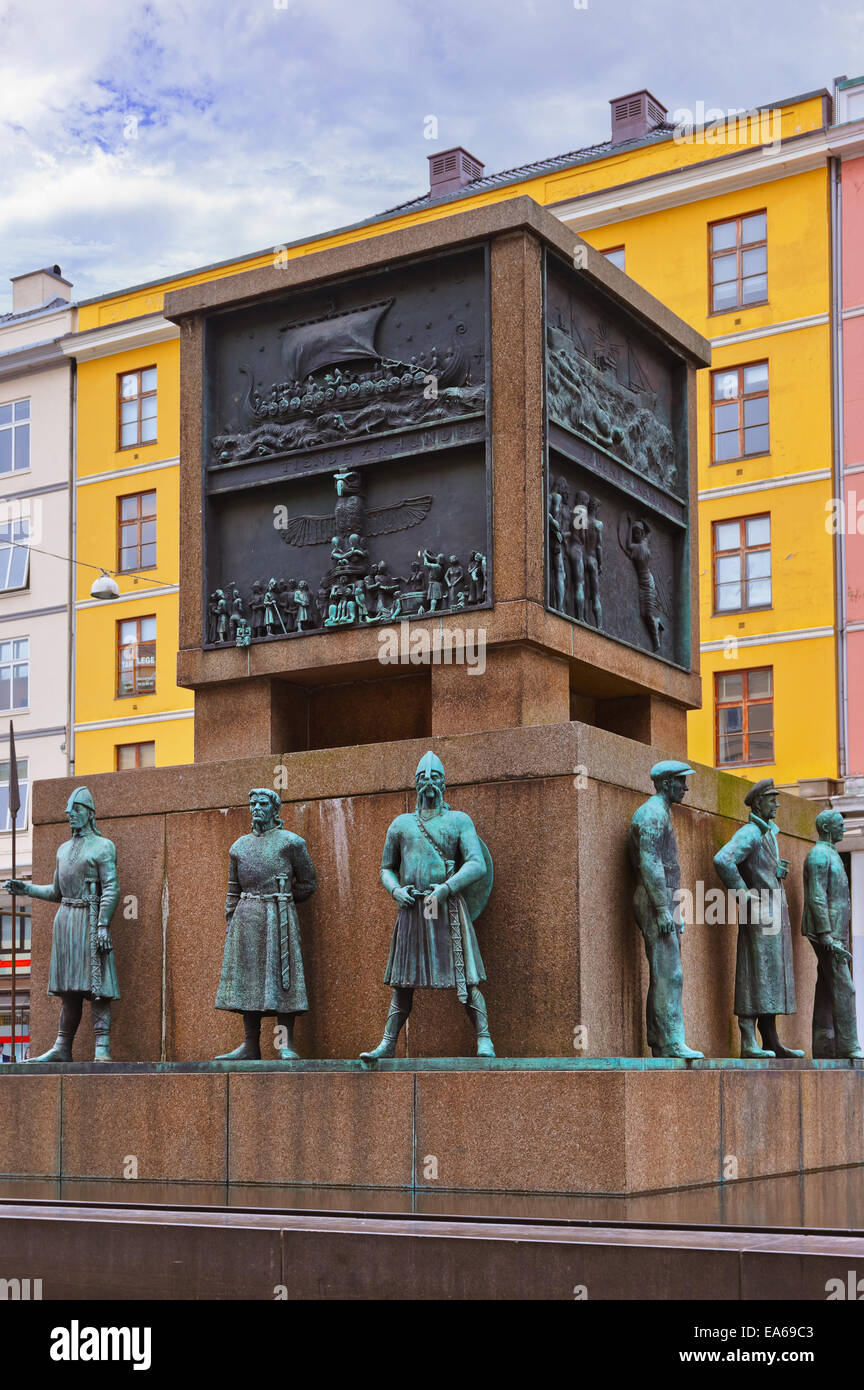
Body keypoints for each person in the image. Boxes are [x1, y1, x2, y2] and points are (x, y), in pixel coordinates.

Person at [360, 751, 494, 1060]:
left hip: (445, 908)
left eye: (435, 778)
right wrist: (395, 890)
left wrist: (447, 888)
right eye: (423, 778)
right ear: (415, 784)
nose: (429, 783)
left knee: (466, 978)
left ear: (444, 784)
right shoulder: (401, 824)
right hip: (413, 909)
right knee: (402, 983)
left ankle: (484, 1039)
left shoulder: (459, 821)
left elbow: (476, 864)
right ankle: (388, 1043)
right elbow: (386, 868)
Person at [4, 788, 120, 1062]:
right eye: (69, 812)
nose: (72, 816)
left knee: (97, 984)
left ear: (89, 813)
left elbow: (112, 888)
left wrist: (103, 924)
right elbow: (57, 891)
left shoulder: (104, 847)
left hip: (90, 920)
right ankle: (62, 1046)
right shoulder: (63, 849)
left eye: (77, 810)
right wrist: (27, 888)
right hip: (66, 922)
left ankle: (102, 1046)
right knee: (70, 989)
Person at [215, 788, 317, 1061]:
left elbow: (309, 882)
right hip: (246, 919)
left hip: (278, 918)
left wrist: (282, 900)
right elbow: (232, 891)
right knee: (249, 979)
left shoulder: (291, 843)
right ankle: (250, 1045)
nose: (256, 808)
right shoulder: (238, 847)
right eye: (252, 804)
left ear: (275, 809)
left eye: (262, 803)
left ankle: (285, 1045)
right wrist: (230, 922)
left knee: (282, 979)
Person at [714, 778, 803, 1059]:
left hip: (773, 916)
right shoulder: (751, 833)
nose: (777, 803)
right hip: (760, 915)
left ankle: (771, 1040)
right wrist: (743, 894)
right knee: (756, 975)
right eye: (772, 798)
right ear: (758, 802)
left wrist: (775, 873)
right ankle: (748, 1041)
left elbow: (757, 868)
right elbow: (723, 860)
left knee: (771, 977)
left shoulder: (768, 834)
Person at [628, 760, 703, 1058]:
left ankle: (660, 1041)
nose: (685, 788)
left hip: (664, 897)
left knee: (665, 972)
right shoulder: (652, 813)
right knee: (669, 974)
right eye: (681, 781)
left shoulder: (661, 812)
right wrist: (662, 910)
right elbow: (650, 862)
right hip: (654, 898)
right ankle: (671, 1041)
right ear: (666, 783)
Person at [802, 809, 862, 1059]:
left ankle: (825, 1047)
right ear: (827, 828)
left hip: (835, 931)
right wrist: (826, 933)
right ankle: (849, 1046)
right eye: (840, 825)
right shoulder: (818, 856)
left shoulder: (831, 854)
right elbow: (817, 896)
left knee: (827, 987)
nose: (844, 829)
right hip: (827, 933)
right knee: (844, 987)